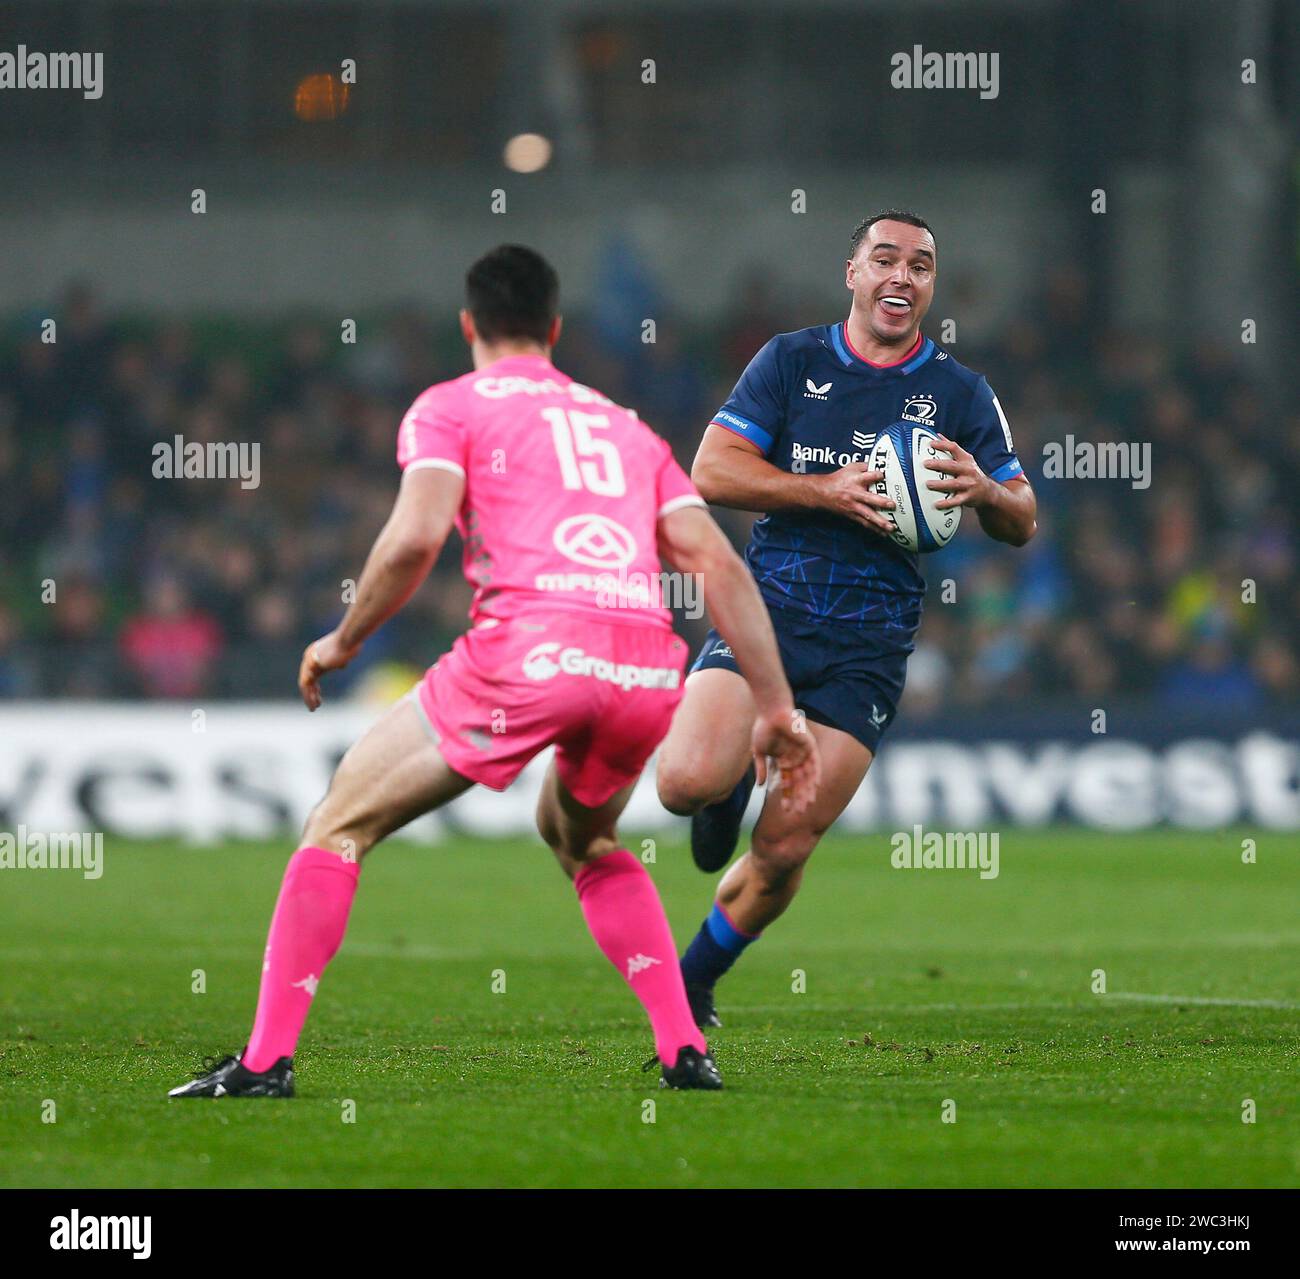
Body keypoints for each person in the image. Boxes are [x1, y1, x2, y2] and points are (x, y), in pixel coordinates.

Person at [169, 245, 819, 1099]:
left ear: (470, 324)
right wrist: (774, 705)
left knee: (337, 823)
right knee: (584, 838)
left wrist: (345, 638)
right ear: (554, 329)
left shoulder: (452, 405)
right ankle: (683, 1049)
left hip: (530, 650)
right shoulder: (627, 426)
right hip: (640, 666)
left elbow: (412, 537)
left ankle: (263, 1063)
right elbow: (720, 566)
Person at [657, 212, 1037, 1028]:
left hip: (869, 643)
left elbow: (1023, 516)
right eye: (887, 259)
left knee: (786, 845)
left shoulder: (962, 393)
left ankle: (691, 981)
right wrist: (821, 489)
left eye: (922, 266)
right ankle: (726, 786)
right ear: (853, 272)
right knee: (683, 782)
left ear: (931, 286)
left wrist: (986, 492)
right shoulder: (792, 361)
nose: (904, 276)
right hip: (771, 615)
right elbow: (711, 469)